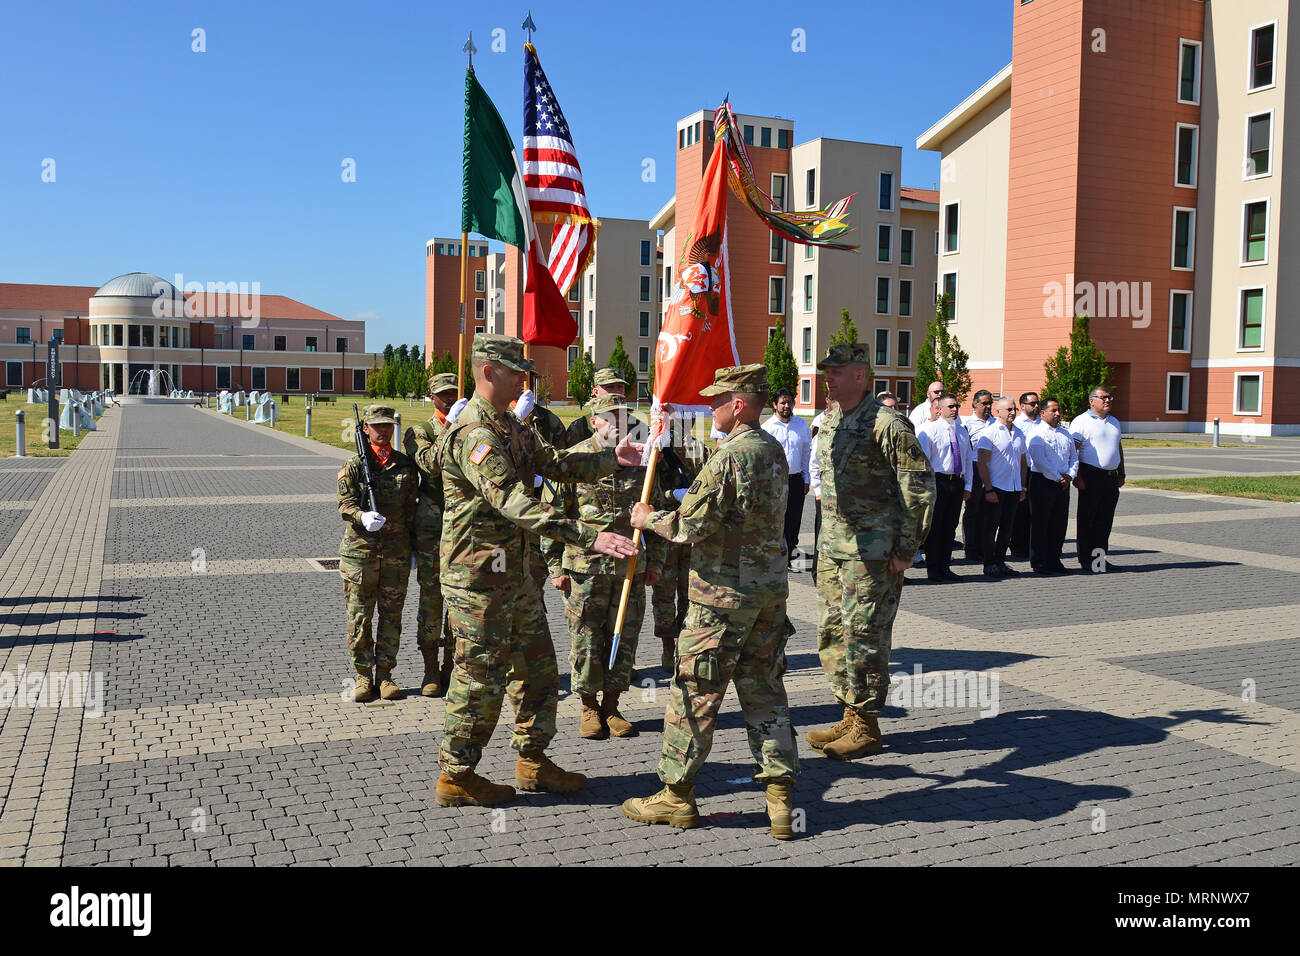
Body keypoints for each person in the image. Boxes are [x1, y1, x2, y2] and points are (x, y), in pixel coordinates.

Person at [433, 335, 643, 807]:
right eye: (515, 371)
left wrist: (613, 458)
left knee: (538, 670)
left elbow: (554, 463)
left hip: (514, 575)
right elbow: (515, 503)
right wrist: (590, 536)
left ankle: (533, 759)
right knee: (479, 678)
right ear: (489, 371)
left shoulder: (510, 425)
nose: (523, 378)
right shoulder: (476, 435)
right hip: (477, 578)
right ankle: (457, 774)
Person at [624, 364, 800, 839]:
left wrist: (648, 517)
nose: (710, 407)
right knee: (766, 693)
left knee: (694, 695)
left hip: (721, 599)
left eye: (717, 398)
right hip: (767, 595)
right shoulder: (773, 449)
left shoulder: (731, 457)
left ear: (738, 404)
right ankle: (780, 800)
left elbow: (690, 526)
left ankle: (676, 797)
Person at [806, 344, 935, 760]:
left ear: (861, 375)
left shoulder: (888, 425)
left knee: (864, 636)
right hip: (833, 550)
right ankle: (849, 712)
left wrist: (906, 549)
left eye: (837, 371)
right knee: (833, 635)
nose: (829, 378)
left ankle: (867, 725)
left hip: (873, 554)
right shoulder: (829, 421)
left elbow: (918, 490)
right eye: (827, 371)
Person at [546, 394, 667, 739]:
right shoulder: (575, 460)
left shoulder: (642, 457)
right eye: (611, 417)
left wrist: (654, 562)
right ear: (594, 421)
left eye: (624, 416)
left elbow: (654, 513)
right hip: (585, 568)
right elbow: (553, 516)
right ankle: (588, 706)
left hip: (629, 567)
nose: (619, 423)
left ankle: (612, 706)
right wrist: (555, 567)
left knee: (624, 637)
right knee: (585, 639)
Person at [338, 404, 419, 702]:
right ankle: (363, 676)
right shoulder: (354, 465)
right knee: (359, 618)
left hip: (396, 553)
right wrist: (362, 517)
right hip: (360, 554)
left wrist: (412, 547)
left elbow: (412, 508)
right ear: (365, 429)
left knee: (391, 616)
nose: (383, 431)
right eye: (377, 425)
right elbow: (344, 504)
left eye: (388, 425)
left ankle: (385, 675)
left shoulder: (405, 465)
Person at [404, 373, 459, 697]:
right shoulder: (420, 432)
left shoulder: (468, 426)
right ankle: (429, 667)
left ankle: (451, 666)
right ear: (432, 397)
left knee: (458, 599)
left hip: (463, 526)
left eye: (453, 393)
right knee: (431, 599)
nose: (449, 398)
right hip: (431, 528)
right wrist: (452, 428)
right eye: (442, 394)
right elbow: (429, 465)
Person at [650, 410, 711, 672]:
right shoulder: (657, 448)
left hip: (690, 533)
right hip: (664, 532)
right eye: (679, 415)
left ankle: (684, 648)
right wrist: (670, 494)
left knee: (689, 593)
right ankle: (666, 647)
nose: (685, 421)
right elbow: (648, 489)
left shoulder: (699, 449)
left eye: (690, 416)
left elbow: (710, 481)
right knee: (664, 595)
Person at [915, 392, 972, 582]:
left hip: (956, 481)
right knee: (935, 527)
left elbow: (967, 460)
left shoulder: (962, 431)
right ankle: (934, 569)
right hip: (937, 482)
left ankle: (945, 566)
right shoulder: (929, 430)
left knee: (950, 526)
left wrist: (968, 485)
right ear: (939, 409)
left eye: (956, 406)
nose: (955, 410)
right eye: (951, 406)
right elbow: (923, 462)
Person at [1068, 386, 1125, 572]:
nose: (1108, 400)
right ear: (1092, 401)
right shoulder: (1081, 421)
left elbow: (1118, 448)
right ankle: (1085, 559)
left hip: (1110, 477)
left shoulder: (1114, 421)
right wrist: (1077, 476)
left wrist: (1121, 472)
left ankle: (1099, 561)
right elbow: (1073, 450)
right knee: (1087, 520)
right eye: (1103, 397)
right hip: (1090, 475)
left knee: (1104, 521)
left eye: (1110, 397)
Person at [975, 397, 1028, 578]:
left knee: (1007, 528)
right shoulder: (990, 432)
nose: (1013, 412)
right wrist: (988, 489)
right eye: (1009, 409)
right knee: (990, 528)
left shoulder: (1019, 432)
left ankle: (1000, 561)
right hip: (996, 488)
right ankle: (989, 563)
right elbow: (982, 462)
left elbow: (1022, 462)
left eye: (1015, 409)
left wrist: (1023, 487)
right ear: (999, 412)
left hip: (1013, 488)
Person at [762, 386, 812, 570]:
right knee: (776, 519)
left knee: (794, 519)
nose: (786, 406)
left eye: (789, 402)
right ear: (775, 404)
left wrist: (806, 480)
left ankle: (791, 556)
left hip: (796, 480)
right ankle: (775, 557)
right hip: (775, 482)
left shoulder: (801, 425)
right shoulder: (767, 428)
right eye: (782, 402)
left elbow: (807, 453)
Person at [1025, 399, 1078, 574]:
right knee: (1041, 523)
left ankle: (1054, 560)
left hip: (1062, 483)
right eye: (1053, 410)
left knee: (1059, 523)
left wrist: (1070, 475)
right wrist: (1058, 477)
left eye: (1059, 410)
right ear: (1042, 413)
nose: (1057, 414)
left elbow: (1073, 458)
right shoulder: (1036, 434)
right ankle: (1039, 562)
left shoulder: (1065, 434)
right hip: (1043, 482)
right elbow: (1040, 461)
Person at [565, 367, 643, 446]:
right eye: (610, 387)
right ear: (596, 391)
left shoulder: (637, 426)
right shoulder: (580, 427)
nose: (616, 391)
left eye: (620, 387)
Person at [961, 389, 995, 563]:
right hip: (974, 470)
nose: (988, 406)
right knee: (972, 510)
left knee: (987, 511)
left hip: (992, 470)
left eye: (990, 403)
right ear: (974, 404)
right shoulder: (968, 425)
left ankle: (985, 546)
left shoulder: (996, 423)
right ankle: (971, 548)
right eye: (984, 403)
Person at [1010, 392, 1042, 559]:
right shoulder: (1017, 424)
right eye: (1032, 404)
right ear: (1022, 406)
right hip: (1023, 470)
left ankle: (1033, 546)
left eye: (1037, 403)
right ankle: (1018, 547)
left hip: (1041, 472)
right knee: (1020, 510)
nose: (1036, 406)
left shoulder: (1042, 423)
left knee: (1036, 510)